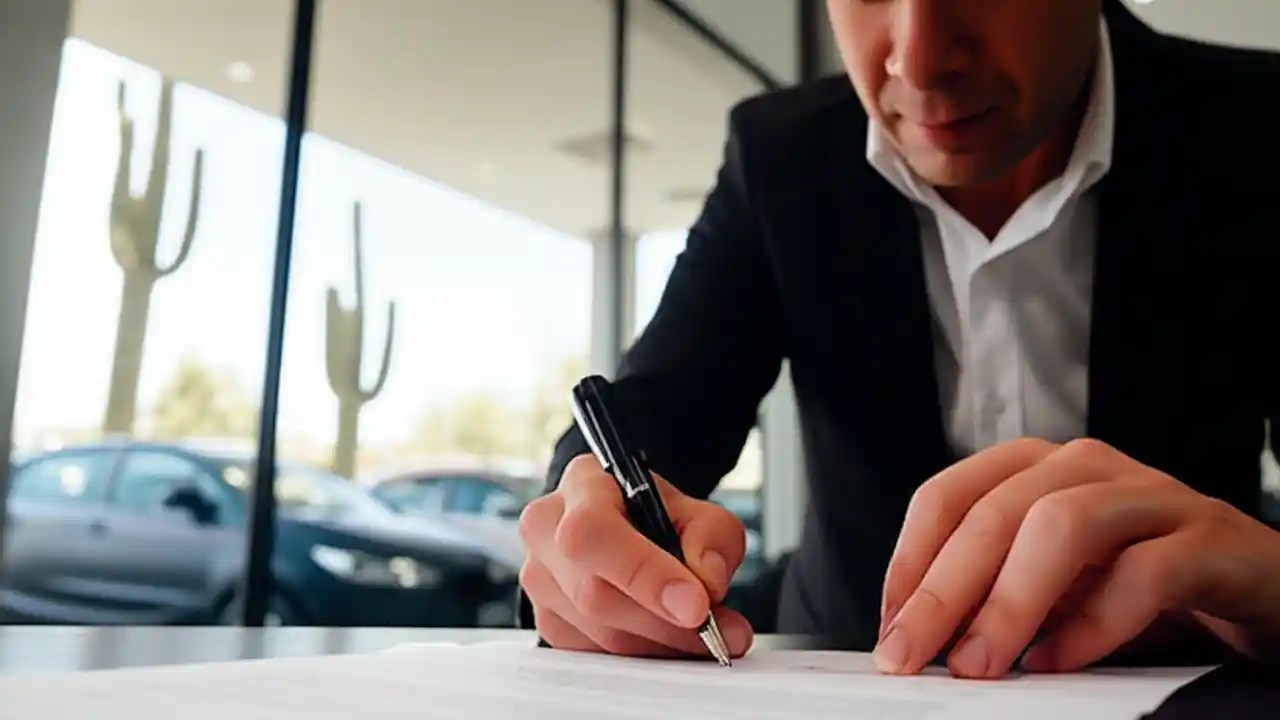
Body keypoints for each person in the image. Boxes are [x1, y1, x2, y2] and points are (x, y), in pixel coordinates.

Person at [518, 0, 1280, 680]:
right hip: (851, 678)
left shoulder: (1257, 122)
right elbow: (656, 414)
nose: (916, 62)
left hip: (1196, 685)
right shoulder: (778, 152)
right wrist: (585, 538)